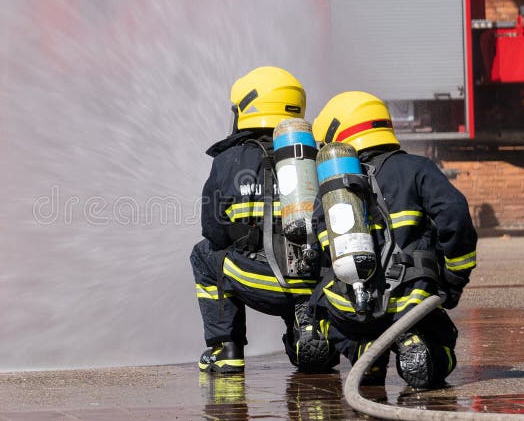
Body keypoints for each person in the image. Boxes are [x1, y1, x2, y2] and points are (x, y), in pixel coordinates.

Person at [309, 91, 478, 388]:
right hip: (411, 301)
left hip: (350, 308)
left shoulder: (330, 190)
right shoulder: (416, 168)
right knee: (441, 340)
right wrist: (453, 278)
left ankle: (363, 351)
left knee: (324, 303)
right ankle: (418, 346)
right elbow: (455, 216)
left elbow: (318, 248)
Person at [191, 66, 338, 374]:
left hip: (259, 282)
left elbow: (213, 230)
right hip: (316, 284)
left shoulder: (227, 160)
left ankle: (226, 348)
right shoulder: (320, 154)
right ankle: (309, 328)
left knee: (204, 255)